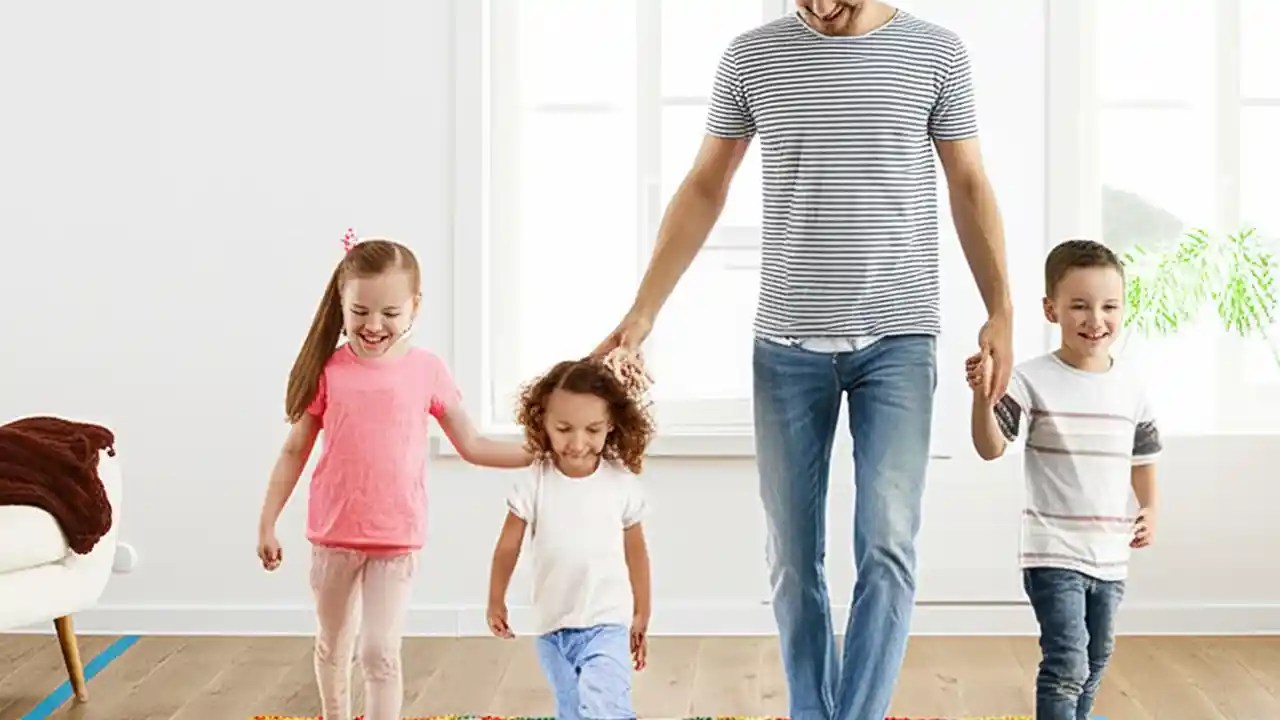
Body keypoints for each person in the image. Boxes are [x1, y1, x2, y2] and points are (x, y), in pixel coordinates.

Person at [593, 1, 1012, 718]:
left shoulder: (936, 53)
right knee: (792, 561)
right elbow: (704, 186)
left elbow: (969, 184)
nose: (819, 7)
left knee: (886, 546)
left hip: (899, 339)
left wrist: (999, 307)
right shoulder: (753, 55)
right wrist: (643, 310)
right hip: (785, 346)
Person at [255, 235, 533, 720]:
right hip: (333, 537)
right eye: (360, 311)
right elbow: (294, 449)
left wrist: (539, 453)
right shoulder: (327, 371)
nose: (374, 325)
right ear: (341, 304)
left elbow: (472, 445)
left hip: (396, 537)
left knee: (379, 652)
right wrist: (267, 523)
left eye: (389, 312)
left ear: (415, 307)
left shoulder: (426, 370)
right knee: (333, 645)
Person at [966, 239, 1160, 720]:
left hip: (1110, 554)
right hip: (1052, 551)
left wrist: (1151, 508)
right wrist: (983, 397)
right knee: (1066, 662)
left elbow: (1144, 454)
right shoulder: (1031, 380)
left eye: (1109, 306)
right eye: (1079, 306)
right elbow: (991, 447)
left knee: (1097, 659)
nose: (1096, 319)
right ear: (1051, 310)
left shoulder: (1132, 384)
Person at [486, 352, 655, 720]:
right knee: (572, 710)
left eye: (592, 430)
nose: (578, 443)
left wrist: (642, 610)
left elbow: (636, 552)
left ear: (611, 424)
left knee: (604, 705)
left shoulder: (620, 483)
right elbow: (507, 548)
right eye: (564, 429)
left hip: (607, 621)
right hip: (552, 627)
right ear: (542, 421)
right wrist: (495, 599)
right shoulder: (534, 481)